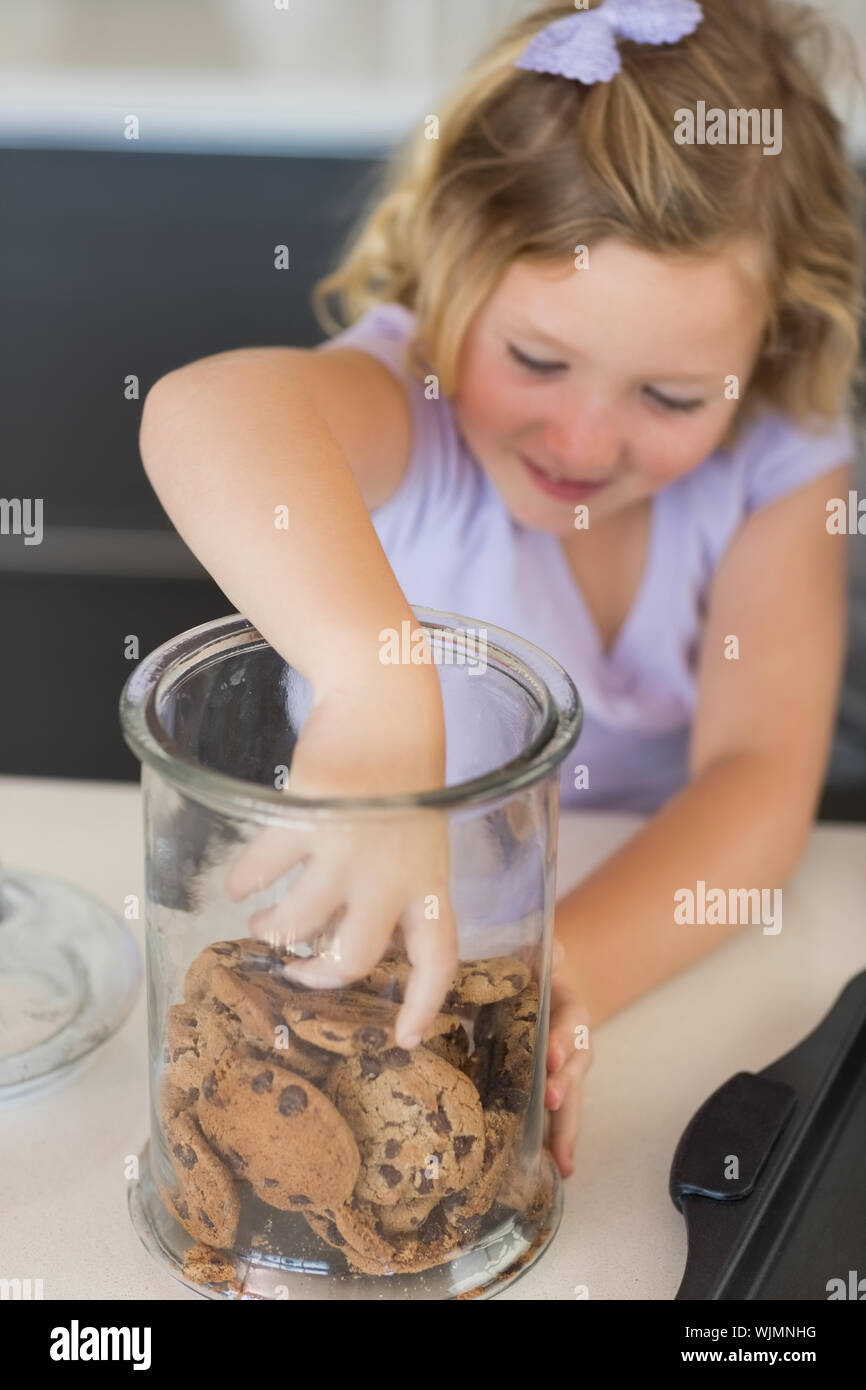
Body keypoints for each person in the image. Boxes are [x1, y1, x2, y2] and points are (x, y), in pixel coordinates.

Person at [139, 0, 863, 1179]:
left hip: (634, 937)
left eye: (671, 397)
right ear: (448, 267)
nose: (583, 435)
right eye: (535, 359)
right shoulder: (404, 406)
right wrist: (380, 693)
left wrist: (556, 967)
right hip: (353, 951)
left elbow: (757, 785)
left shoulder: (778, 455)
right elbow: (201, 413)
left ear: (769, 351)